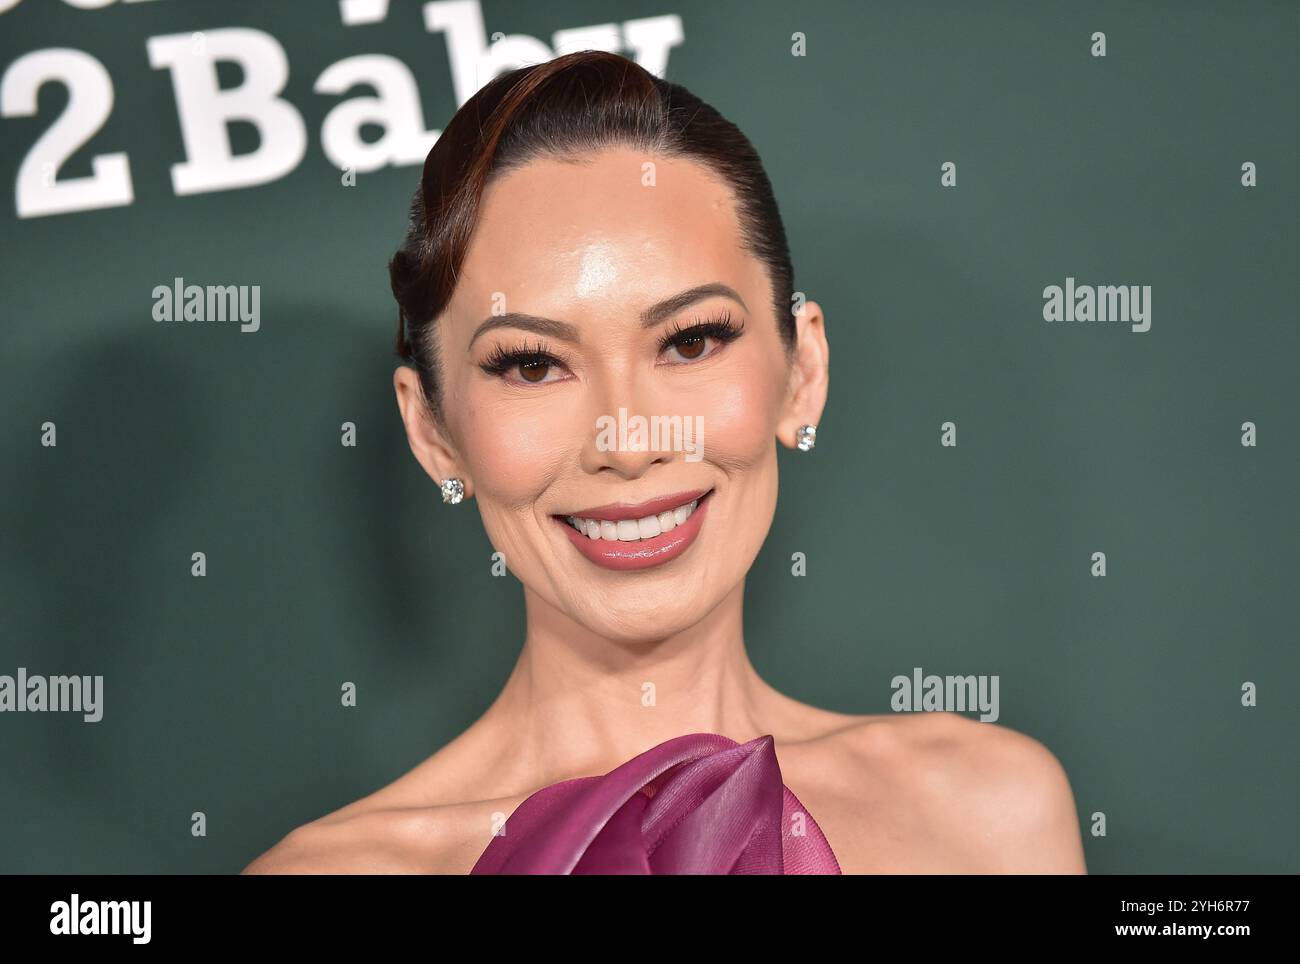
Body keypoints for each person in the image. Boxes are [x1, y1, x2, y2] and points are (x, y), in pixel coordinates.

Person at [243, 50, 1086, 875]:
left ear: (803, 374)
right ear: (433, 432)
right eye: (532, 363)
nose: (628, 440)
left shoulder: (987, 810)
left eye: (691, 341)